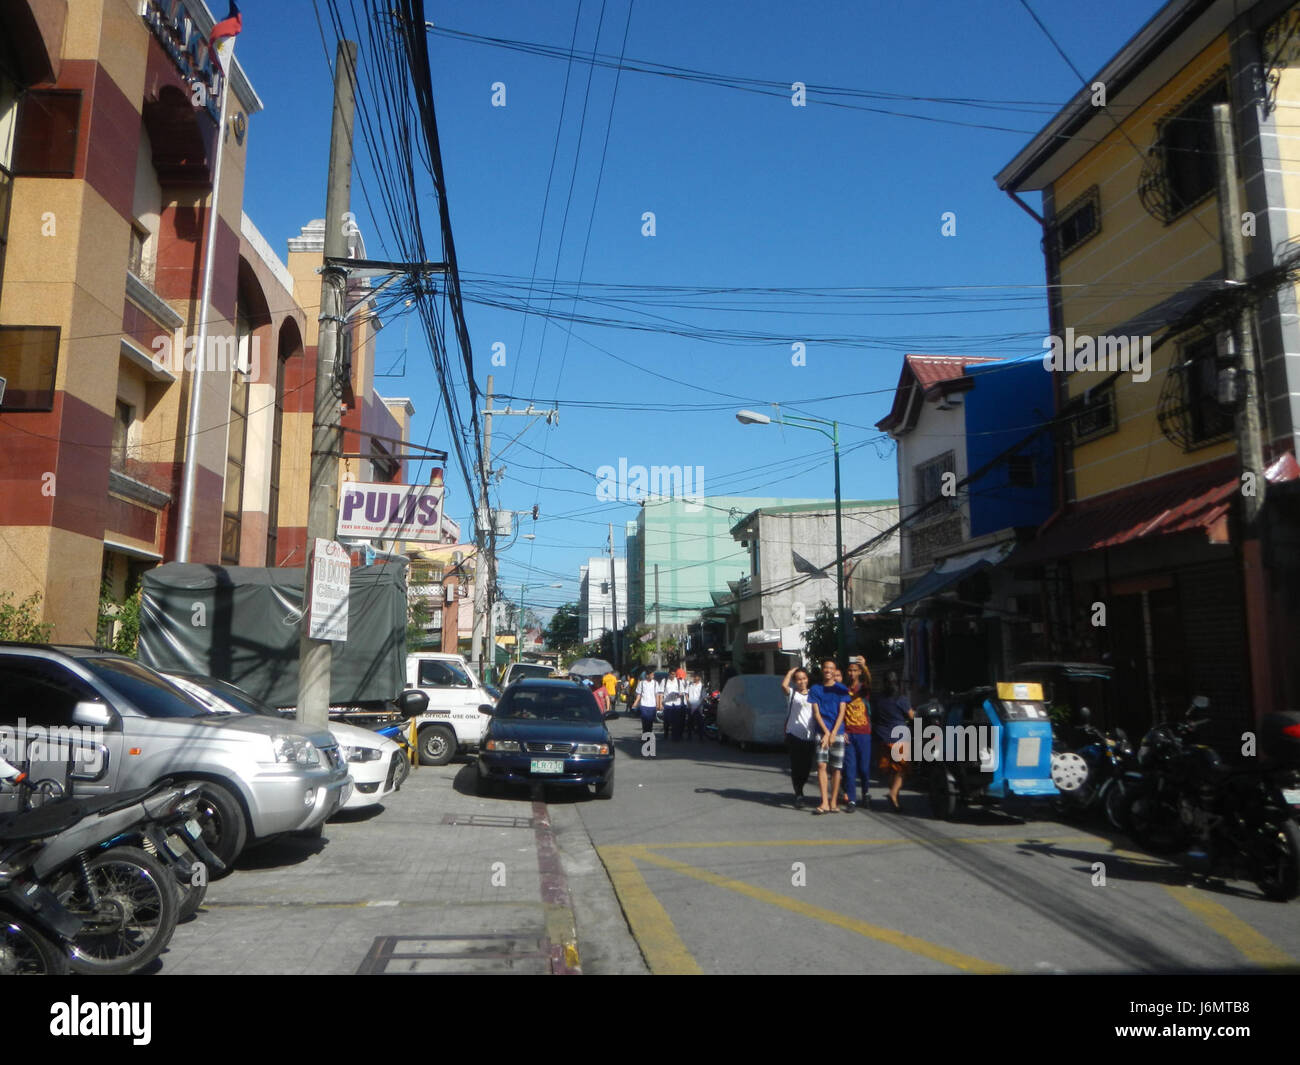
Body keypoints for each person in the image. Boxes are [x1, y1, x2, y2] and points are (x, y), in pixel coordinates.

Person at [807, 659, 849, 814]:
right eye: (826, 668)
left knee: (836, 768)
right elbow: (816, 713)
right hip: (821, 732)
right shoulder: (815, 689)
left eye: (831, 668)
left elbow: (842, 712)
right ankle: (824, 801)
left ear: (835, 670)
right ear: (822, 670)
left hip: (837, 732)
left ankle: (833, 802)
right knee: (821, 766)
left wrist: (833, 733)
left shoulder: (841, 689)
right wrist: (826, 732)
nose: (828, 670)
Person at [872, 670, 914, 811]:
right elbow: (912, 716)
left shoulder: (878, 699)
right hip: (899, 739)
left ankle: (895, 800)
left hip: (883, 739)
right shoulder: (901, 699)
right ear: (897, 683)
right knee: (902, 770)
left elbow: (874, 717)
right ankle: (893, 793)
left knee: (891, 771)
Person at [781, 666, 816, 807]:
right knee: (796, 766)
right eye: (798, 679)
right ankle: (799, 793)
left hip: (810, 735)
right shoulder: (792, 694)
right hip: (793, 734)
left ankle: (800, 786)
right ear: (795, 681)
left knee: (807, 766)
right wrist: (790, 672)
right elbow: (784, 685)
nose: (802, 682)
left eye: (804, 678)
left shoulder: (814, 694)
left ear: (808, 680)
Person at [840, 658, 872, 811]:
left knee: (864, 769)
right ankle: (852, 799)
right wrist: (842, 730)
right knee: (849, 769)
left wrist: (864, 666)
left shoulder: (864, 689)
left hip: (864, 733)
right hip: (849, 734)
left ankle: (866, 792)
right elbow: (839, 712)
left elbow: (870, 681)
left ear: (859, 672)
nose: (852, 673)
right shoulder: (844, 689)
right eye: (850, 670)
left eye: (855, 670)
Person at [635, 669, 661, 735]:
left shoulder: (655, 683)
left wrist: (658, 704)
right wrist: (635, 703)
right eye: (652, 675)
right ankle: (645, 735)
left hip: (652, 706)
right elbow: (639, 694)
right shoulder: (642, 683)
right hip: (644, 705)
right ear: (647, 675)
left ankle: (648, 736)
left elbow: (657, 695)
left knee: (650, 722)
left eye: (653, 675)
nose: (653, 676)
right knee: (645, 722)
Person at [663, 670, 687, 740]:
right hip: (667, 703)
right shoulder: (664, 681)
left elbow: (682, 692)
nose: (673, 676)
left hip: (676, 703)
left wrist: (678, 694)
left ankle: (675, 736)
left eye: (674, 674)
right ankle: (666, 734)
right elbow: (661, 693)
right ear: (669, 674)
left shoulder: (679, 682)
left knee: (676, 721)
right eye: (671, 674)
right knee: (667, 720)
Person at [685, 672, 705, 739]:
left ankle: (701, 737)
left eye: (695, 676)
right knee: (690, 722)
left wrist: (699, 706)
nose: (694, 678)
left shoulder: (702, 686)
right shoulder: (690, 685)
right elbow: (686, 694)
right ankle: (689, 736)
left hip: (698, 707)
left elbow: (703, 698)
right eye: (693, 676)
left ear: (699, 678)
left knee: (700, 723)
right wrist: (688, 702)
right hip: (690, 706)